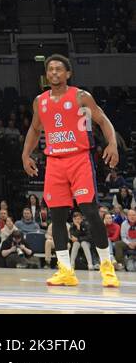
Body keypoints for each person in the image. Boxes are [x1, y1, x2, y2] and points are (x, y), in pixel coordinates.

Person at [22, 54, 121, 288]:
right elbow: (35, 130)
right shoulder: (40, 101)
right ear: (46, 75)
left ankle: (107, 267)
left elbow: (103, 120)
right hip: (54, 162)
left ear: (68, 74)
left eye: (59, 69)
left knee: (90, 211)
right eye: (50, 69)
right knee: (56, 217)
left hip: (79, 159)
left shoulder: (80, 96)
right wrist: (26, 154)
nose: (54, 73)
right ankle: (66, 270)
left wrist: (113, 143)